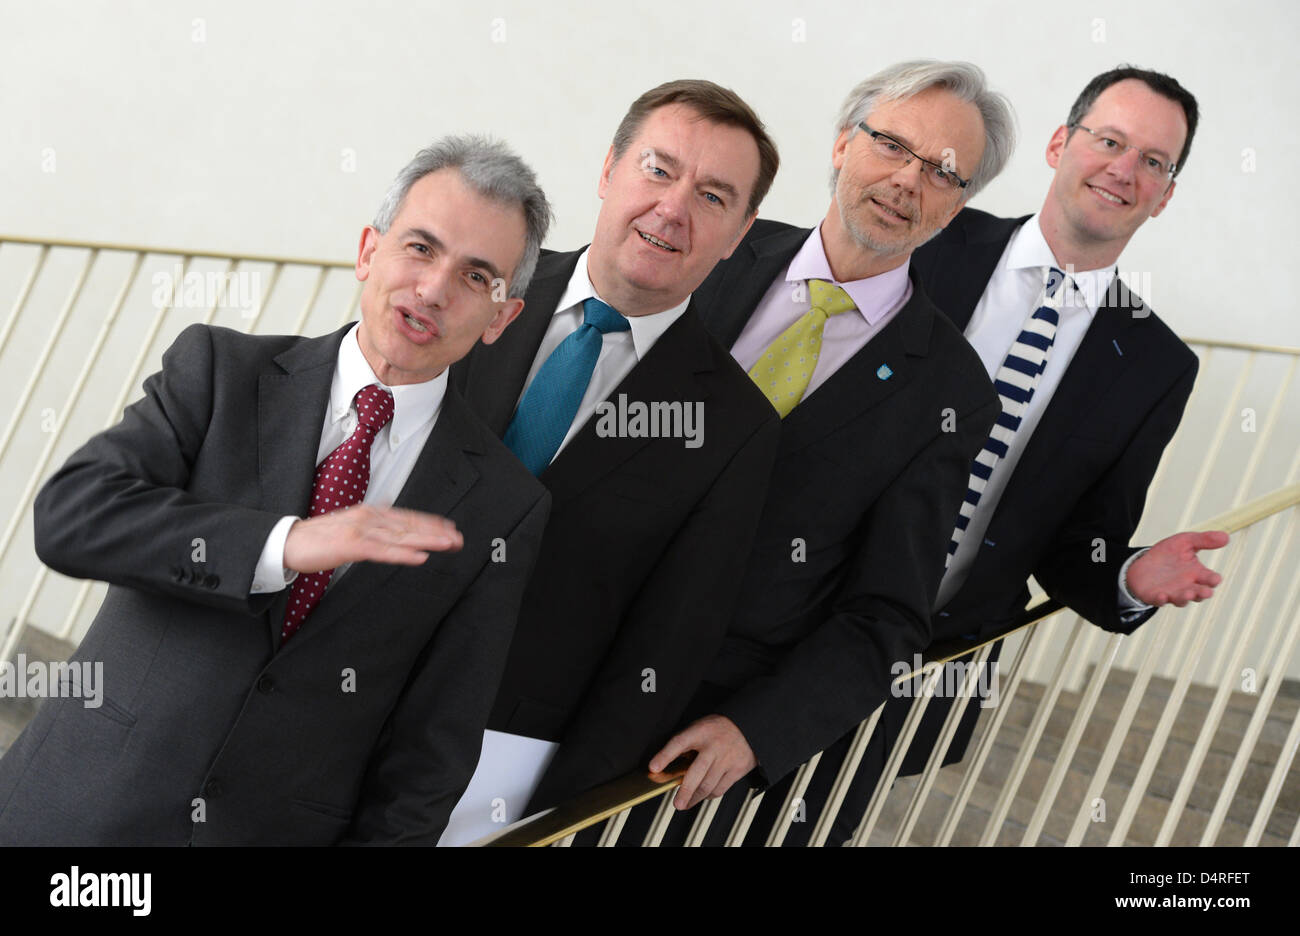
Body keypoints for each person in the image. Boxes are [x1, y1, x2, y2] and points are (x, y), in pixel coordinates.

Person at [0, 136, 553, 845]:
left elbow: (429, 756)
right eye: (420, 247)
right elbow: (71, 517)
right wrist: (283, 544)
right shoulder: (221, 372)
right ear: (367, 252)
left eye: (477, 277)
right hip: (77, 816)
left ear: (500, 320)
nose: (435, 288)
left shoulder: (504, 505)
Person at [633, 61, 1010, 845]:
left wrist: (755, 730)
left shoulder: (951, 390)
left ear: (961, 205)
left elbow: (887, 613)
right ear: (843, 143)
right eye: (892, 145)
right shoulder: (707, 247)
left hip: (694, 727)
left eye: (943, 172)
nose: (909, 180)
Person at [874, 65, 1227, 809]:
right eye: (1109, 140)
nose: (1125, 170)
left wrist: (1129, 577)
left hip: (926, 666)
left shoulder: (1159, 365)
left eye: (1154, 163)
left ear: (1165, 196)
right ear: (1060, 143)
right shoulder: (928, 235)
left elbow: (1080, 545)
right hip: (781, 615)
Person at [442, 80, 781, 844]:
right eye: (658, 170)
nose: (673, 208)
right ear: (608, 170)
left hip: (501, 767)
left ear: (738, 233)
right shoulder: (470, 282)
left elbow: (666, 643)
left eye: (714, 196)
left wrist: (564, 814)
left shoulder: (735, 428)